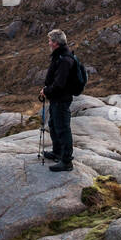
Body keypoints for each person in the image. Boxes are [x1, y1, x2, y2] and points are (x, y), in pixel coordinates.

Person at [39, 28, 76, 171]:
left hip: (62, 99)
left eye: (49, 40)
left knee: (62, 129)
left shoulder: (65, 59)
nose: (48, 43)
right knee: (54, 125)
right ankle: (57, 152)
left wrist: (46, 90)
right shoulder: (59, 56)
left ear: (55, 43)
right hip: (56, 99)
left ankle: (67, 161)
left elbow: (60, 84)